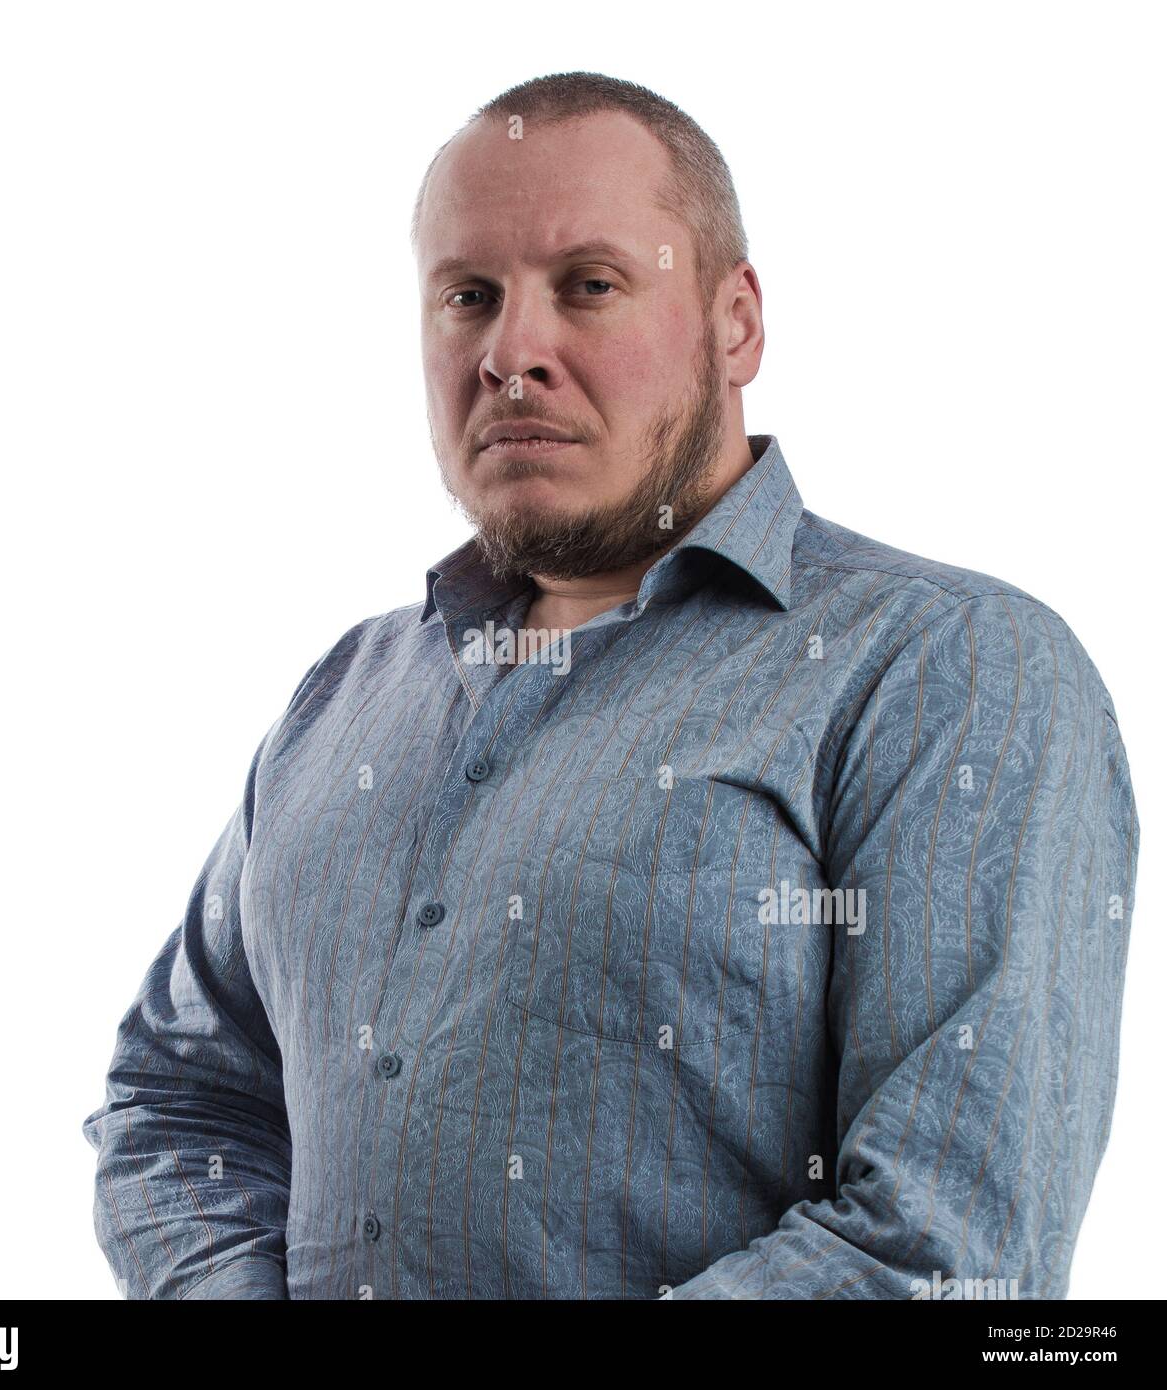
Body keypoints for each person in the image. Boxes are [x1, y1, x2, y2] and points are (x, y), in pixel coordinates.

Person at [82, 71, 1138, 1300]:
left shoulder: (949, 670)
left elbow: (945, 1248)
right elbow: (176, 1097)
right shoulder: (343, 698)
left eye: (588, 286)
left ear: (733, 321)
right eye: (468, 296)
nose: (511, 354)